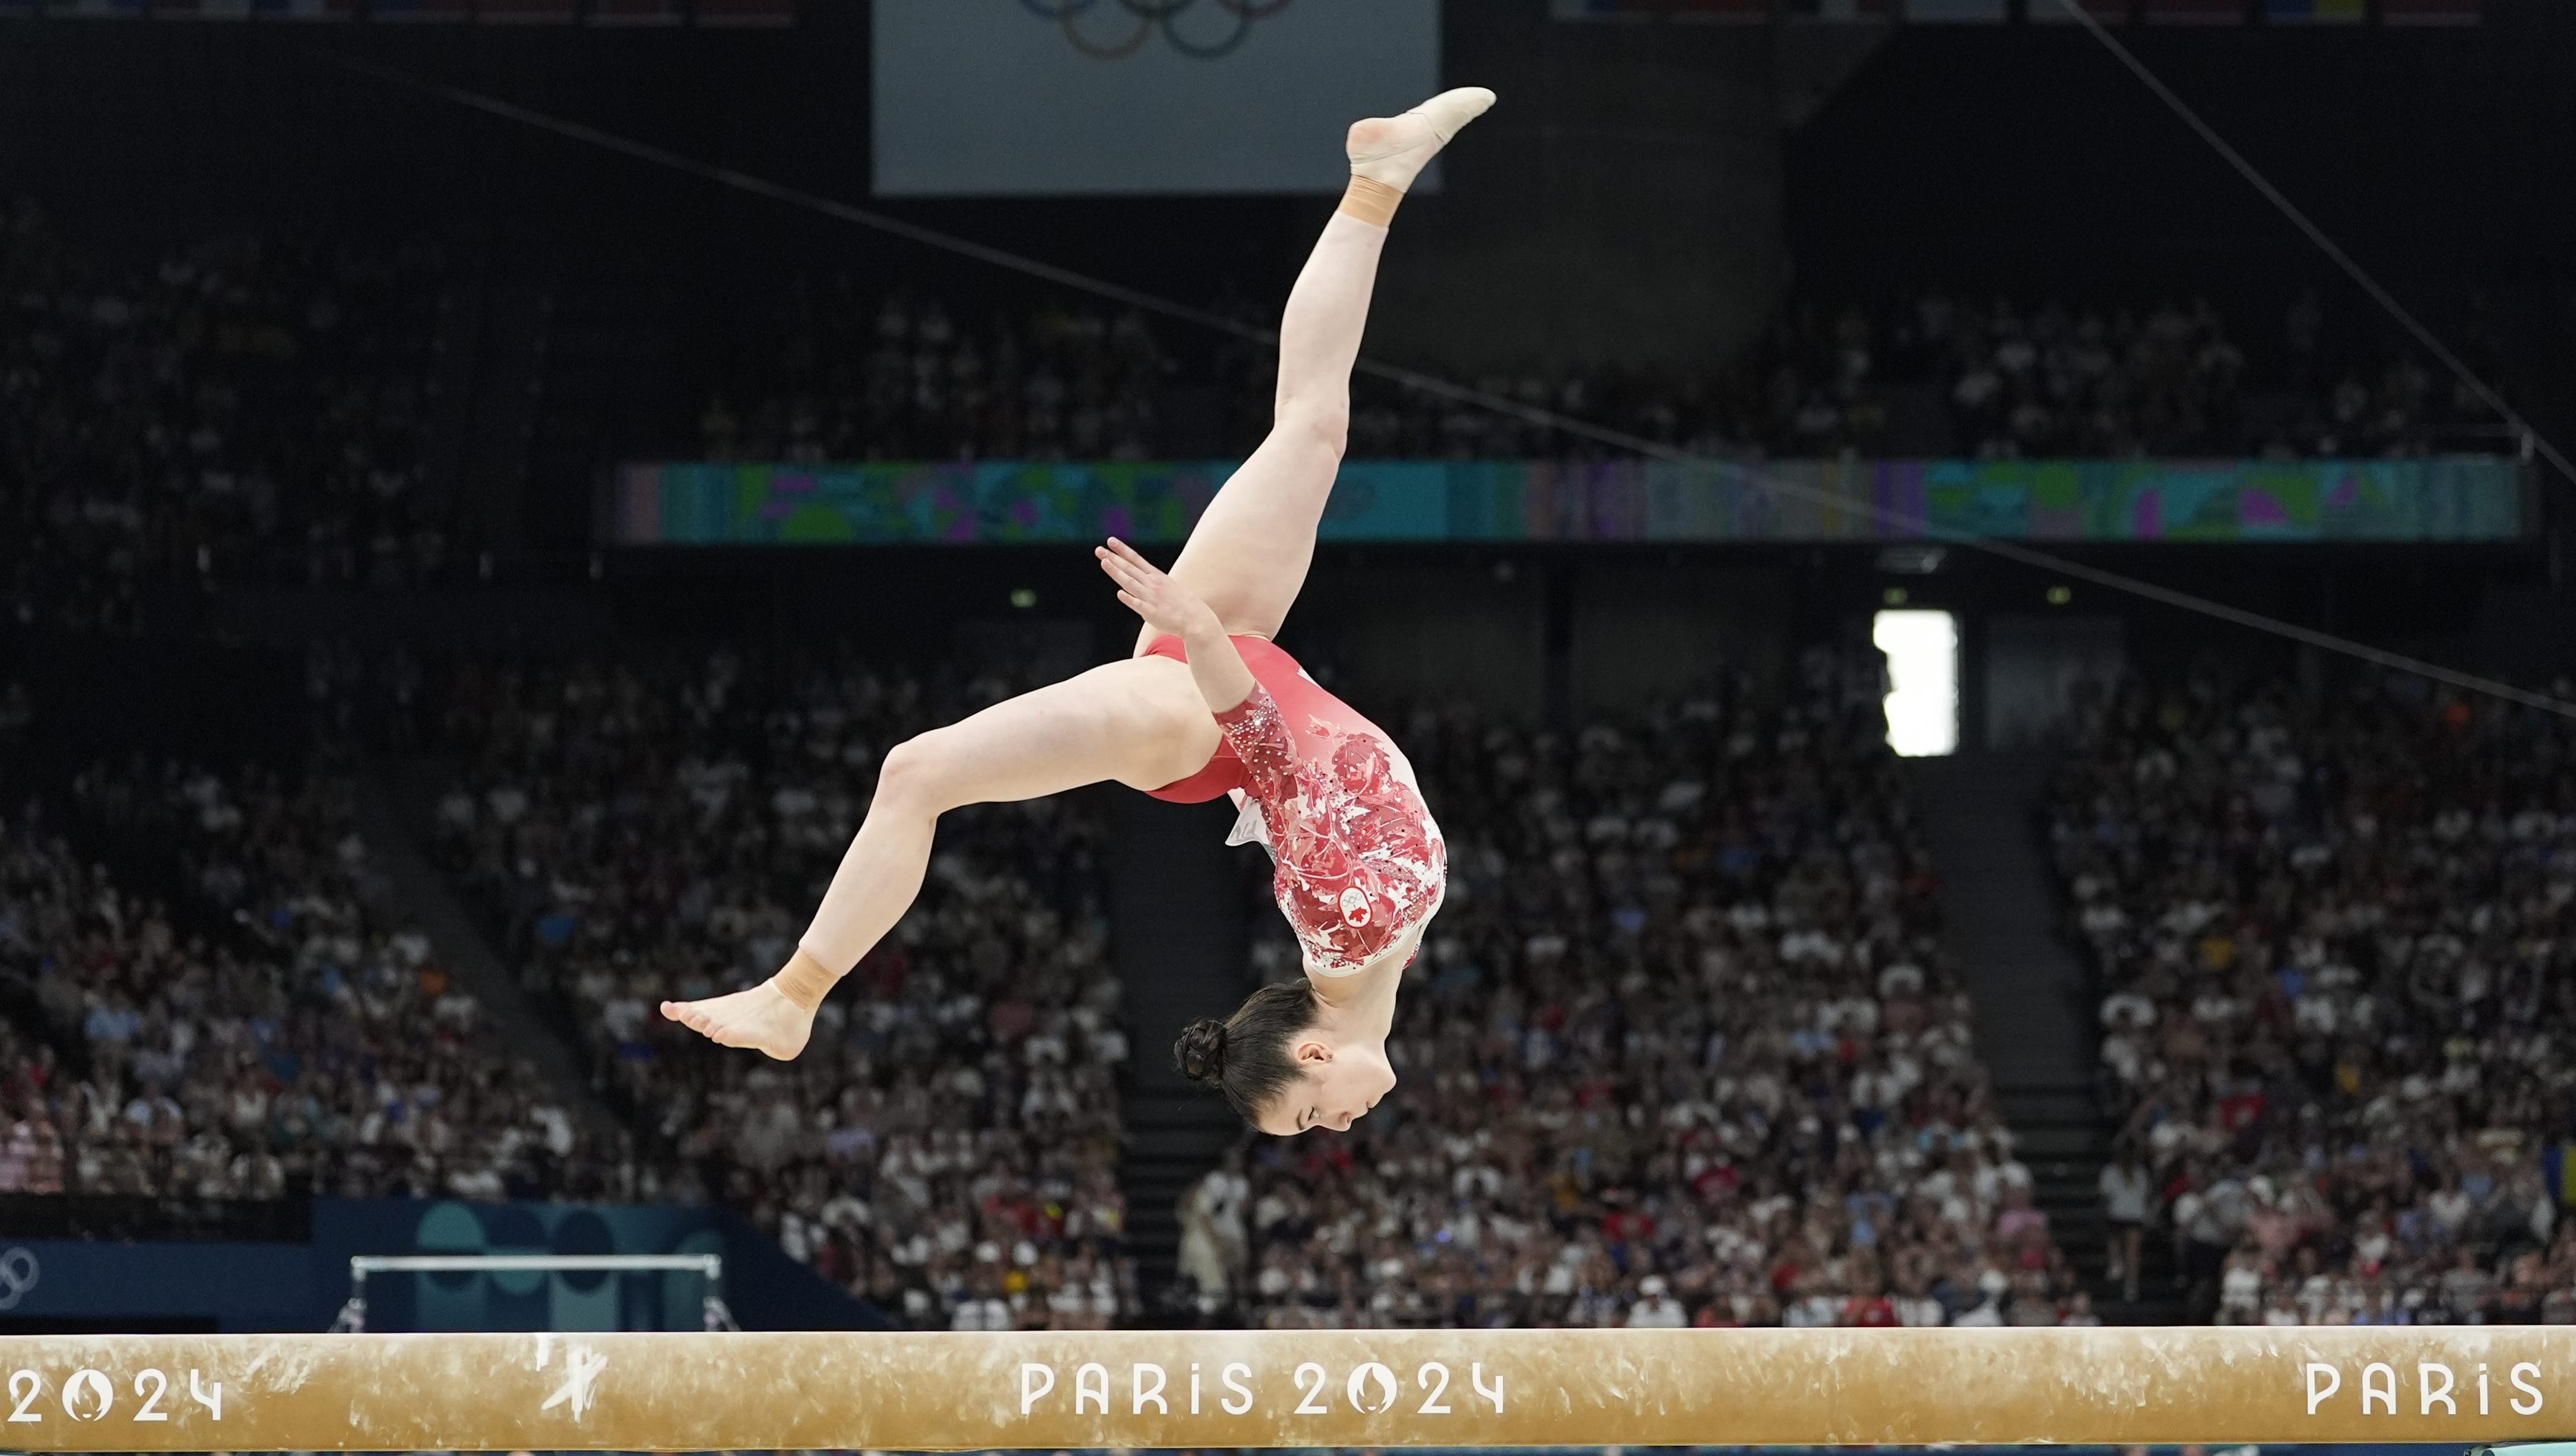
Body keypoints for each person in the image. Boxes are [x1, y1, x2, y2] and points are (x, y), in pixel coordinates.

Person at [660, 86, 1499, 1138]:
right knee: (1313, 425)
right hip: (1225, 678)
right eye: (1313, 1128)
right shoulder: (1375, 954)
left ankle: (793, 997)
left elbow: (1280, 760)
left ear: (1318, 1053)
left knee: (919, 771)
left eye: (1309, 1116)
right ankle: (1374, 182)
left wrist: (1196, 638)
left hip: (1201, 705)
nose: (1334, 1127)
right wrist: (1207, 642)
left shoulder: (1354, 933)